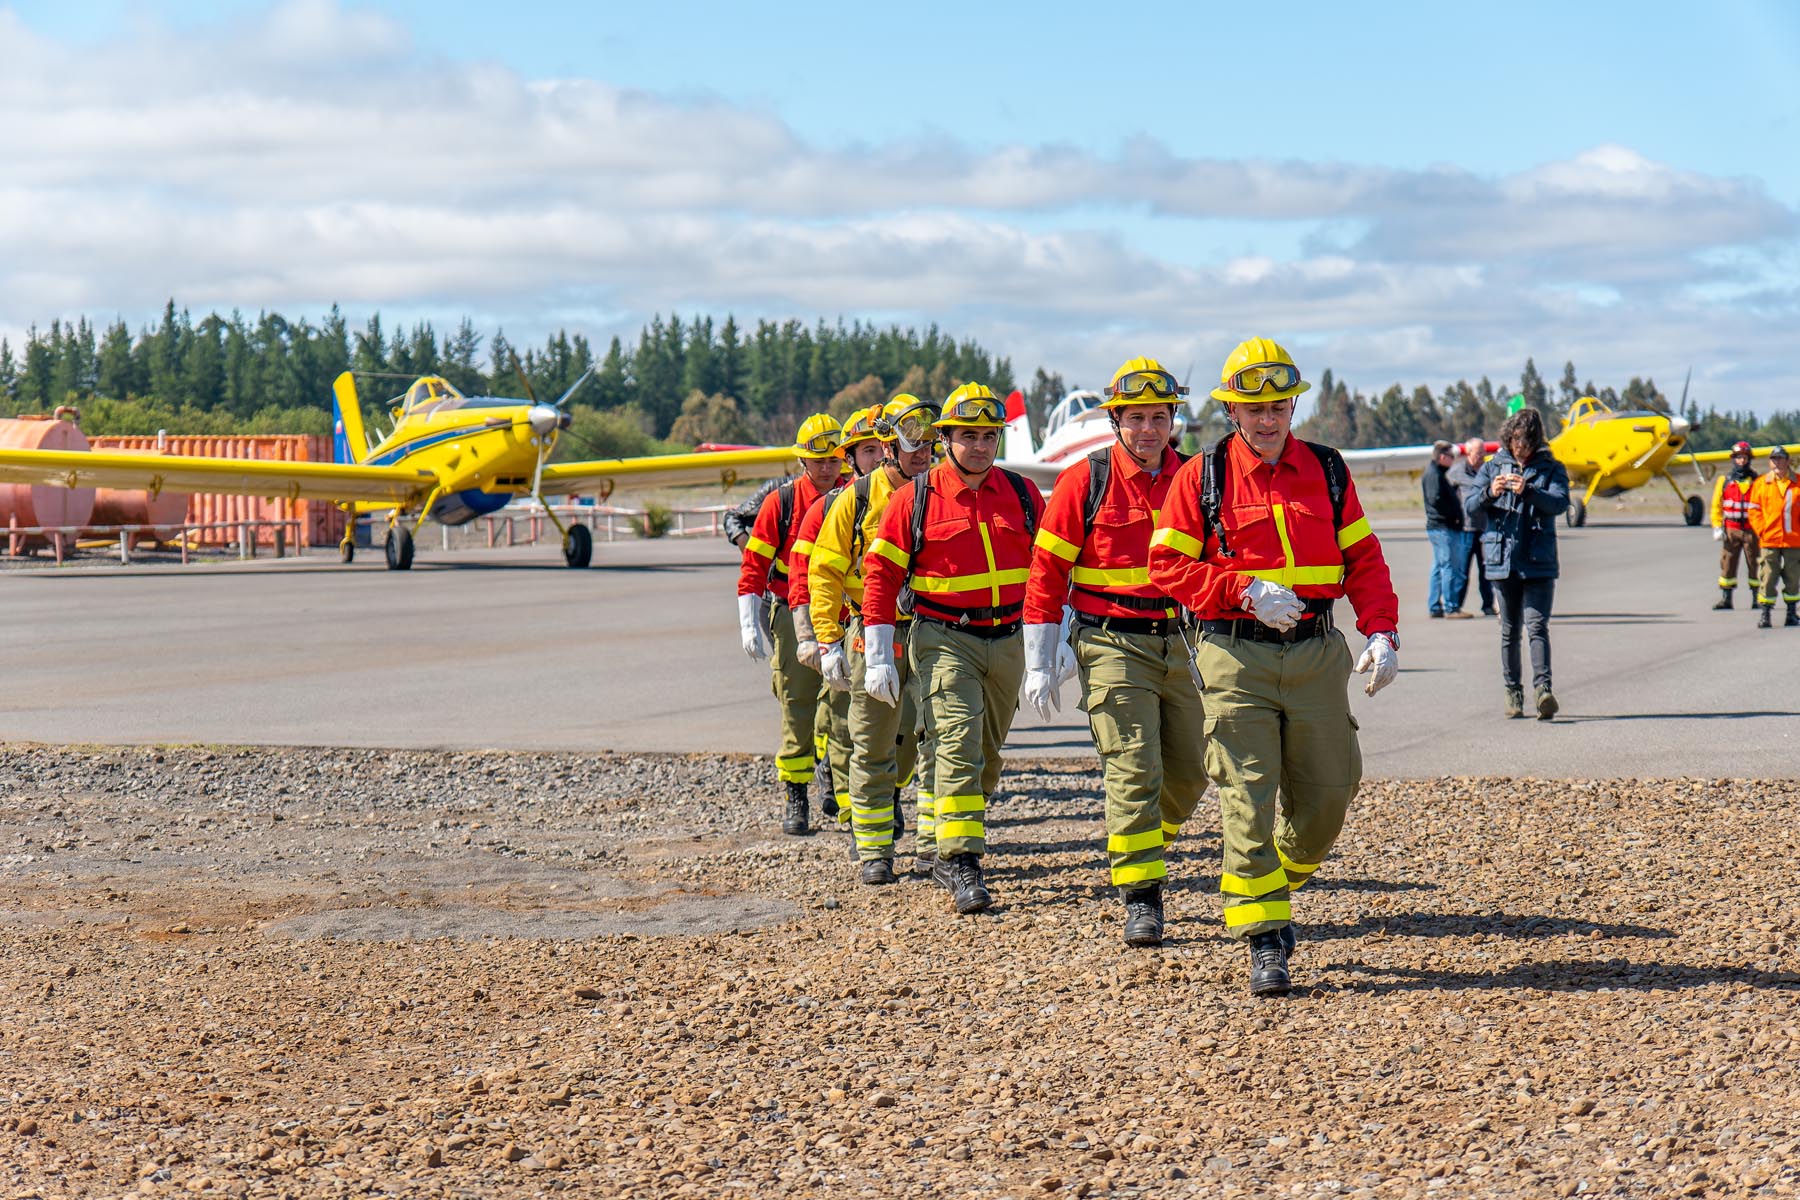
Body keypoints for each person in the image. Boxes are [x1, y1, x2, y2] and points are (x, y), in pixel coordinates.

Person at [1148, 338, 1399, 996]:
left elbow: (1365, 561)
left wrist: (1382, 631)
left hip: (1318, 655)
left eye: (1279, 405)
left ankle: (1263, 884)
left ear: (1293, 405)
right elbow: (1166, 567)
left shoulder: (1329, 470)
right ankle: (1265, 939)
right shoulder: (1199, 478)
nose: (1268, 418)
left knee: (1329, 797)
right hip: (1235, 657)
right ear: (1232, 411)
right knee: (1246, 797)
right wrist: (1242, 589)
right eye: (1253, 407)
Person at [1024, 356, 1206, 947]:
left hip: (1185, 640)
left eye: (1160, 417)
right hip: (1109, 642)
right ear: (1117, 420)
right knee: (1133, 768)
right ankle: (1142, 898)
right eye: (1136, 419)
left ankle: (1142, 839)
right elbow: (1047, 572)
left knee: (1196, 769)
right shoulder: (1085, 479)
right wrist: (1039, 657)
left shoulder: (1199, 478)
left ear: (1173, 419)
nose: (1149, 430)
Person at [862, 383, 1045, 915]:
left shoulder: (1022, 494)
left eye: (990, 436)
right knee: (957, 741)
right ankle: (961, 859)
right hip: (944, 638)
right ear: (945, 439)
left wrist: (1052, 638)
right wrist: (877, 654)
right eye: (969, 436)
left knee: (986, 757)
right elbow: (880, 576)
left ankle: (951, 830)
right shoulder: (913, 500)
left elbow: (1051, 567)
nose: (981, 446)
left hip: (1008, 639)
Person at [809, 395, 937, 883]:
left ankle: (931, 847)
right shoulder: (857, 498)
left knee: (931, 742)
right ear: (887, 445)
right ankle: (875, 852)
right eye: (912, 444)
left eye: (929, 443)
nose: (922, 453)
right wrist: (827, 641)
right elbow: (824, 569)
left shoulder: (942, 491)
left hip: (932, 629)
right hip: (873, 632)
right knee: (871, 743)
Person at [736, 413, 846, 835]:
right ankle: (795, 794)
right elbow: (754, 567)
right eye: (819, 461)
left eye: (834, 460)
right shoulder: (779, 503)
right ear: (802, 461)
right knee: (797, 705)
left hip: (841, 612)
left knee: (840, 704)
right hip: (791, 613)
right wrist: (749, 623)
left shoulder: (853, 497)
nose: (827, 469)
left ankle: (834, 779)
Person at [790, 406, 888, 825]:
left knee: (898, 733)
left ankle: (883, 800)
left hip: (905, 628)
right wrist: (812, 637)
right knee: (846, 723)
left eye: (880, 450)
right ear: (852, 457)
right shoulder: (834, 507)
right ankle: (850, 812)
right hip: (850, 627)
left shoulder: (909, 496)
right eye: (867, 452)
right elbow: (806, 574)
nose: (878, 459)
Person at [1464, 407, 1571, 719]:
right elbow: (1471, 507)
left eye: (1523, 441)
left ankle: (1543, 690)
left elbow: (1560, 502)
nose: (1518, 447)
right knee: (1510, 630)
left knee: (1537, 625)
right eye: (1513, 440)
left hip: (1538, 559)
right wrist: (1489, 491)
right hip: (1502, 560)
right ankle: (1513, 691)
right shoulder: (1492, 466)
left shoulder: (1551, 467)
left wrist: (1529, 490)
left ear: (1534, 440)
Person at [1747, 446, 1799, 628]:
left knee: (1793, 577)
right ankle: (1765, 613)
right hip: (1769, 539)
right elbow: (1753, 510)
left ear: (1787, 461)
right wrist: (1762, 530)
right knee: (1768, 576)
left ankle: (1791, 613)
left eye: (1780, 459)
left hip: (1793, 540)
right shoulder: (1761, 483)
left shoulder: (1798, 483)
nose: (1777, 463)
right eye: (1773, 459)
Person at [1446, 437, 1496, 615]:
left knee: (1486, 571)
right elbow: (1447, 496)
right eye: (1478, 453)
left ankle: (1488, 605)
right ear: (1468, 453)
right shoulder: (1456, 471)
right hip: (1465, 530)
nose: (1481, 456)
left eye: (1483, 452)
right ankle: (1454, 607)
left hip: (1485, 529)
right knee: (1461, 571)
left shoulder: (1489, 471)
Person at [1423, 441, 1471, 619]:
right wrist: (1453, 516)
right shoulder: (1434, 475)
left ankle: (1435, 605)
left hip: (1439, 527)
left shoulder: (1437, 474)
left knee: (1439, 566)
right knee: (1448, 566)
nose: (1453, 460)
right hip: (1442, 527)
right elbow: (1436, 499)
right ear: (1442, 457)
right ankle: (1451, 607)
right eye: (1451, 457)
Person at [1710, 441, 1761, 610]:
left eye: (1744, 457)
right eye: (1738, 457)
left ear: (1749, 459)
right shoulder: (1724, 480)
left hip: (1751, 530)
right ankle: (1726, 598)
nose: (1741, 461)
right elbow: (1716, 505)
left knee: (1755, 563)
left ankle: (1757, 597)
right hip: (1731, 529)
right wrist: (1717, 526)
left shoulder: (1757, 481)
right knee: (1728, 563)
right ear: (1734, 459)